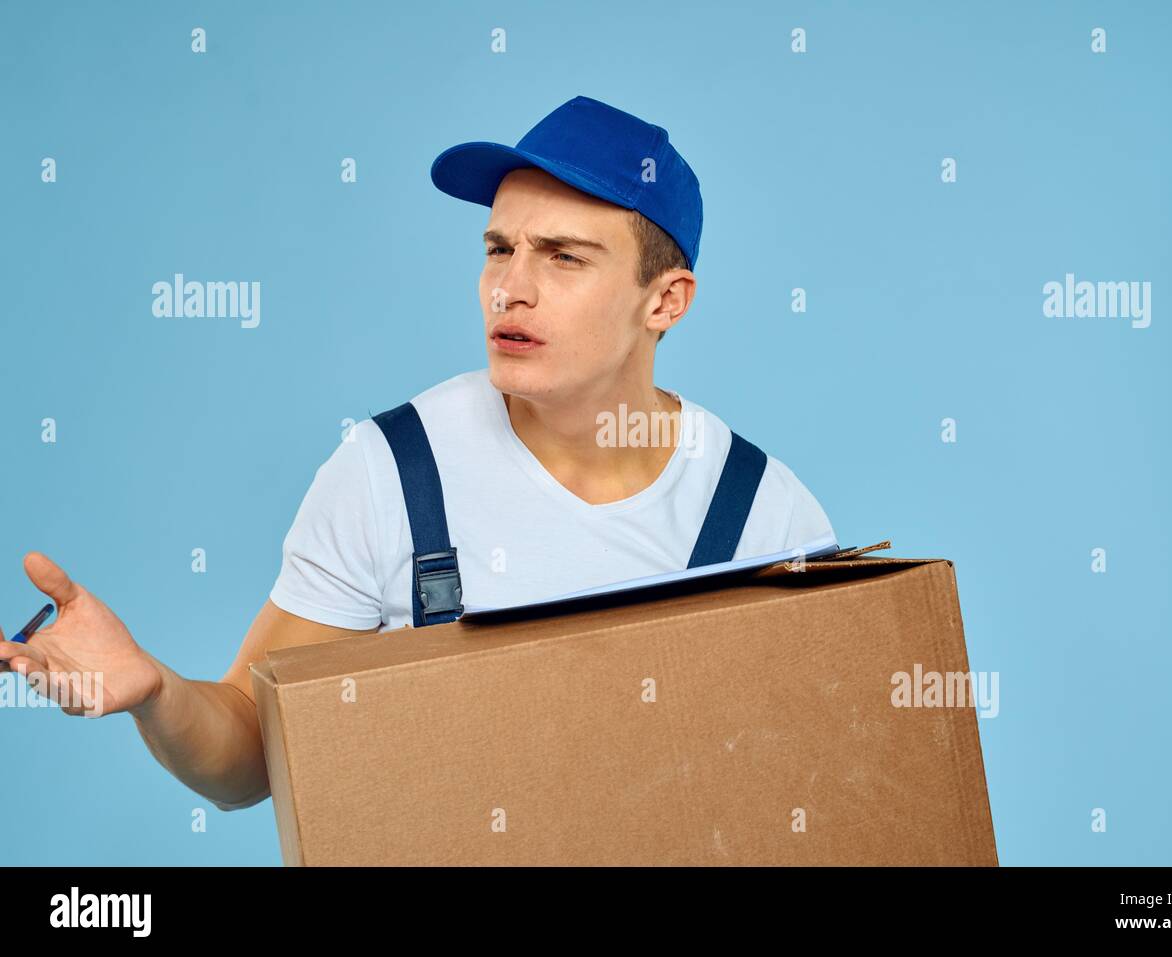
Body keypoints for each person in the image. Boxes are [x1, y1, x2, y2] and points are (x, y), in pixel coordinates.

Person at [0, 95, 836, 811]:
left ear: (666, 301)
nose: (512, 286)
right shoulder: (393, 472)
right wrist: (157, 693)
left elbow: (827, 780)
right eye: (499, 247)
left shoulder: (765, 517)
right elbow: (252, 756)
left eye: (564, 257)